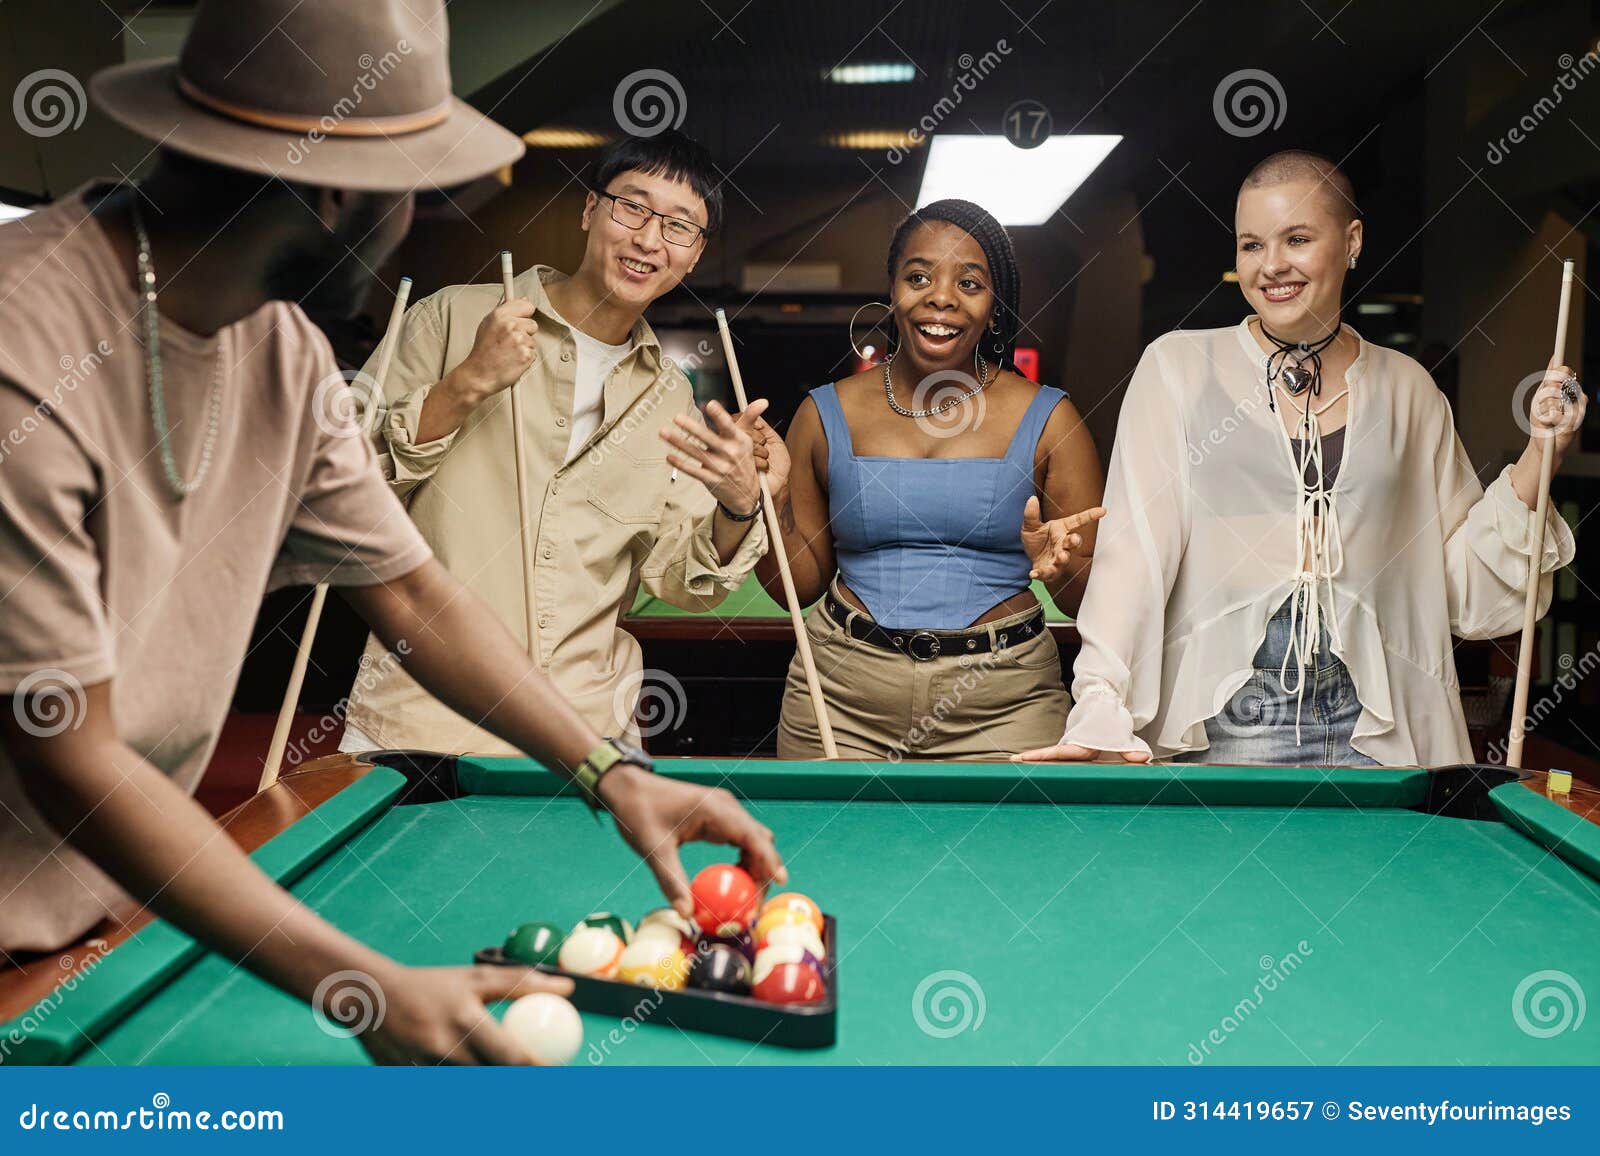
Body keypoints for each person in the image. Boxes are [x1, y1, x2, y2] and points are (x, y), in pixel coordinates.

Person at [0, 0, 782, 1066]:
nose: (418, 220)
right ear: (335, 193)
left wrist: (612, 774)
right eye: (413, 191)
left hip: (108, 915)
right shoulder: (23, 345)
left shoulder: (282, 354)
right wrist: (361, 987)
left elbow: (412, 595)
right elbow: (71, 754)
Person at [1019, 151, 1583, 767]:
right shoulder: (1179, 368)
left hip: (1377, 723)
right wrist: (1100, 698)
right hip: (1230, 715)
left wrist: (1540, 452)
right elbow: (1136, 557)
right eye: (1252, 245)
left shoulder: (1408, 389)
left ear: (1352, 242)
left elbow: (1463, 589)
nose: (1272, 266)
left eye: (1297, 239)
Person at [339, 131, 768, 755]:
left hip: (589, 733)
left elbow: (679, 579)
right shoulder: (451, 319)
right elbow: (342, 491)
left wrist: (737, 503)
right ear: (590, 210)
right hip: (424, 718)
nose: (649, 239)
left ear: (695, 255)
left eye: (679, 226)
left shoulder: (671, 398)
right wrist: (464, 387)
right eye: (633, 207)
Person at [753, 199, 1106, 760]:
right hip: (842, 698)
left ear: (994, 309)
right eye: (918, 276)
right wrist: (769, 506)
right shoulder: (823, 413)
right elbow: (795, 590)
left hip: (1005, 702)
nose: (941, 296)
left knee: (1007, 851)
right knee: (829, 850)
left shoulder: (1050, 418)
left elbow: (1088, 602)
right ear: (892, 292)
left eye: (970, 282)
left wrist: (1062, 570)